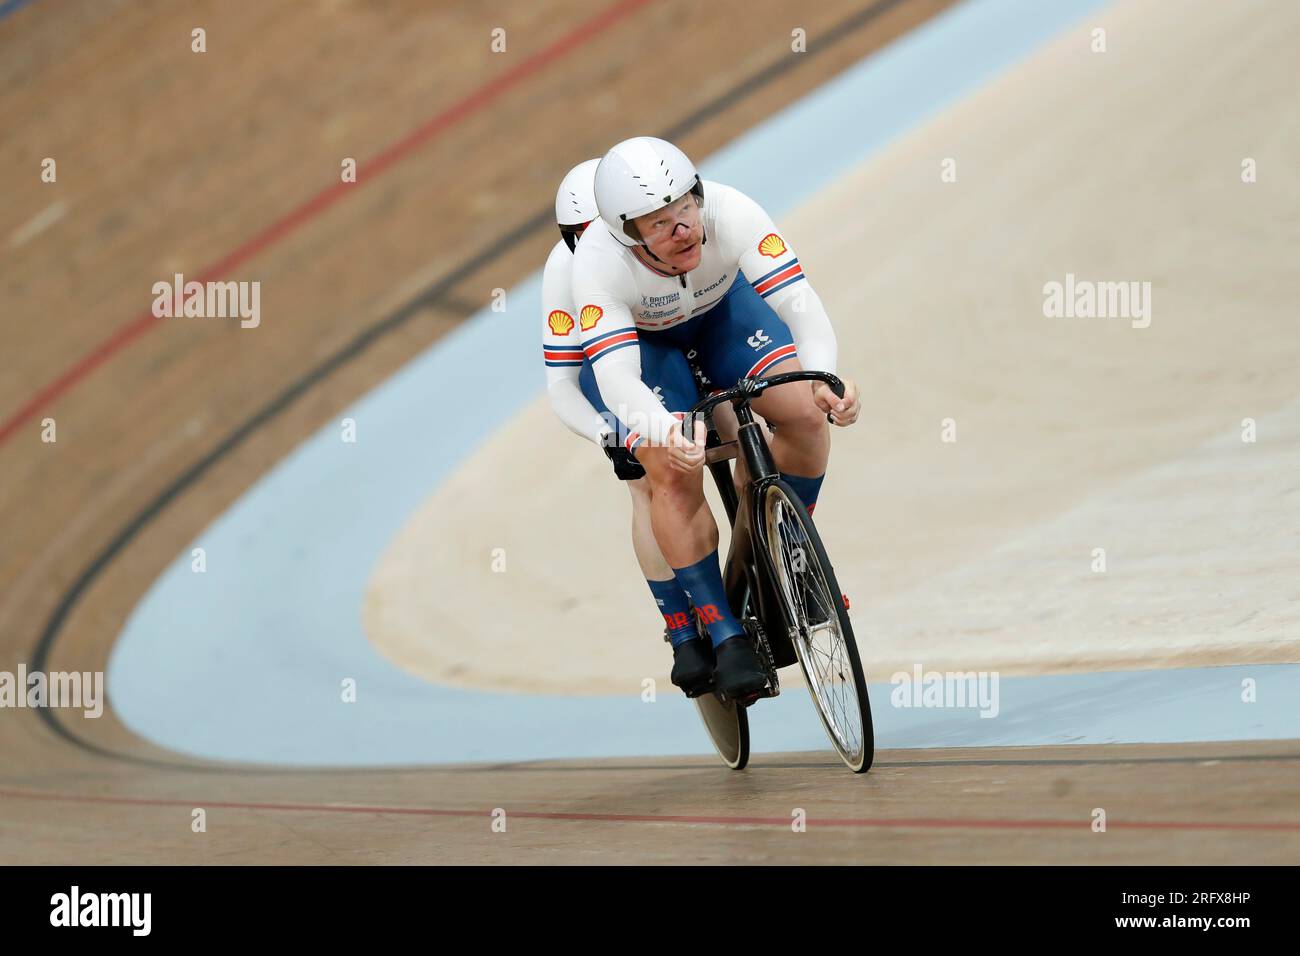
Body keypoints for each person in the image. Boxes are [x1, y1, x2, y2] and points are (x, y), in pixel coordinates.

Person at [572, 136, 862, 698]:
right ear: (625, 234)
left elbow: (799, 302)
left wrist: (827, 377)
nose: (681, 229)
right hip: (648, 348)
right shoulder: (598, 264)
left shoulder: (731, 210)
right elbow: (616, 378)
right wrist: (661, 431)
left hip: (723, 314)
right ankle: (724, 632)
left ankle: (792, 557)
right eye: (658, 224)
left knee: (803, 411)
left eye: (685, 208)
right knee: (671, 468)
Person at [541, 159, 712, 692]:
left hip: (684, 331)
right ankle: (681, 627)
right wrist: (606, 433)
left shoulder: (665, 236)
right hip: (625, 358)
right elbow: (563, 382)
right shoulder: (568, 274)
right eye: (579, 238)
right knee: (650, 480)